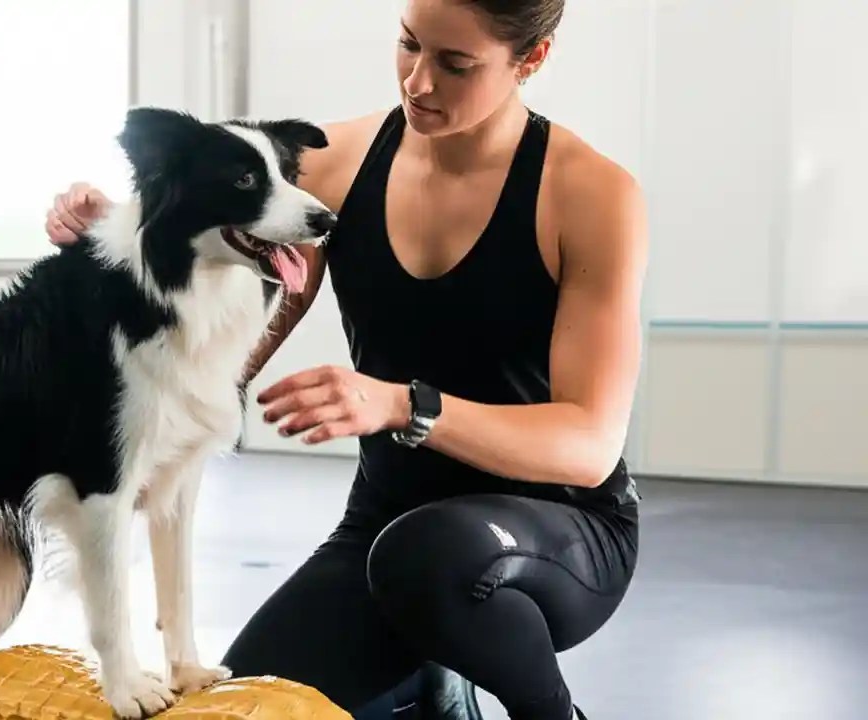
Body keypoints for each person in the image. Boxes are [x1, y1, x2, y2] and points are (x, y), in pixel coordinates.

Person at [43, 1, 645, 718]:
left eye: (456, 65)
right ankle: (431, 686)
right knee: (243, 710)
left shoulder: (591, 195)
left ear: (531, 59)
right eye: (407, 45)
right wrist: (122, 237)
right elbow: (215, 333)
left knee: (426, 556)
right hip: (383, 533)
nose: (419, 83)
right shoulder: (338, 164)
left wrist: (404, 404)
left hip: (561, 534)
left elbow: (589, 446)